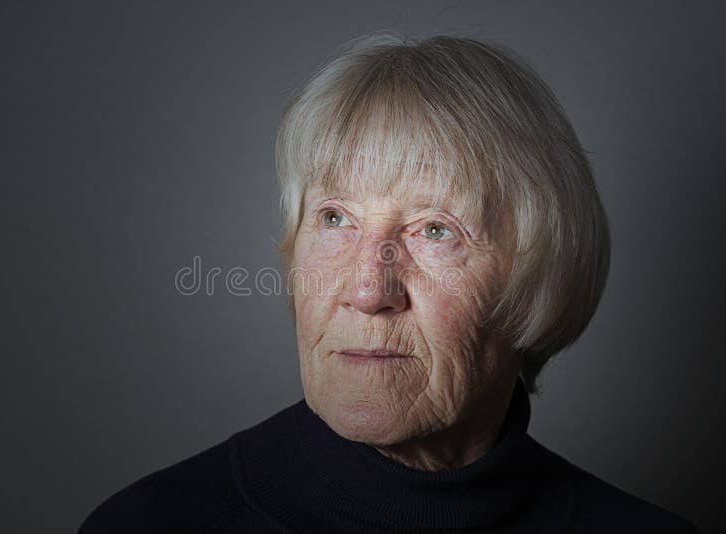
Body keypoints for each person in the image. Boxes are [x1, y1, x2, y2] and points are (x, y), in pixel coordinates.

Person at [78, 32, 699, 533]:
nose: (369, 292)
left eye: (435, 230)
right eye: (335, 218)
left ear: (539, 280)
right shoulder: (151, 522)